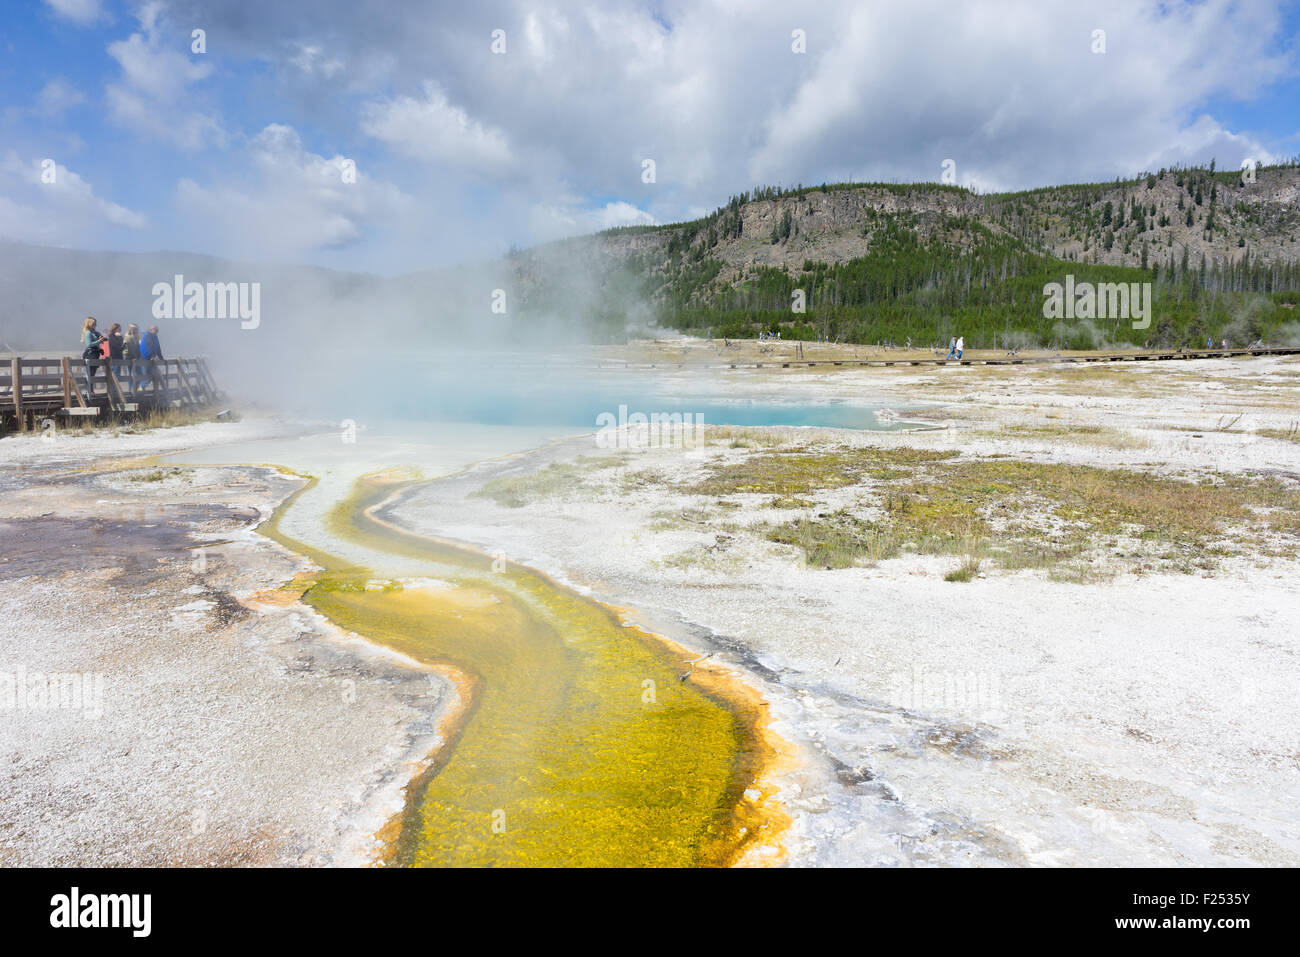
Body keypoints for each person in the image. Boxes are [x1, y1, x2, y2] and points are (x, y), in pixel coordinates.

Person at [139, 324, 166, 396]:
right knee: (146, 375)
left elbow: (158, 347)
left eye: (157, 330)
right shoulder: (148, 336)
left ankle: (141, 388)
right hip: (144, 359)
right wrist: (152, 356)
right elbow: (150, 346)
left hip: (151, 360)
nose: (157, 331)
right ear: (150, 330)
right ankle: (140, 390)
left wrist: (161, 358)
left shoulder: (155, 337)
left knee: (152, 375)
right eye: (155, 330)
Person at [81, 317, 106, 392]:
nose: (96, 325)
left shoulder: (95, 332)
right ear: (89, 324)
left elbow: (99, 341)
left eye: (96, 323)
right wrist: (99, 341)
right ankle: (89, 390)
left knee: (93, 373)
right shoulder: (88, 333)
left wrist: (104, 339)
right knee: (90, 373)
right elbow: (89, 344)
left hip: (96, 353)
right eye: (94, 323)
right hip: (91, 354)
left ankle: (90, 390)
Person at [122, 324, 141, 392]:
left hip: (135, 356)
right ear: (130, 329)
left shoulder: (137, 337)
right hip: (129, 356)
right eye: (134, 329)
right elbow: (130, 348)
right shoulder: (128, 337)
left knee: (138, 372)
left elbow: (138, 347)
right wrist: (134, 356)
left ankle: (136, 388)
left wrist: (138, 356)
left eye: (136, 329)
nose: (135, 330)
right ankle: (131, 388)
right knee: (131, 373)